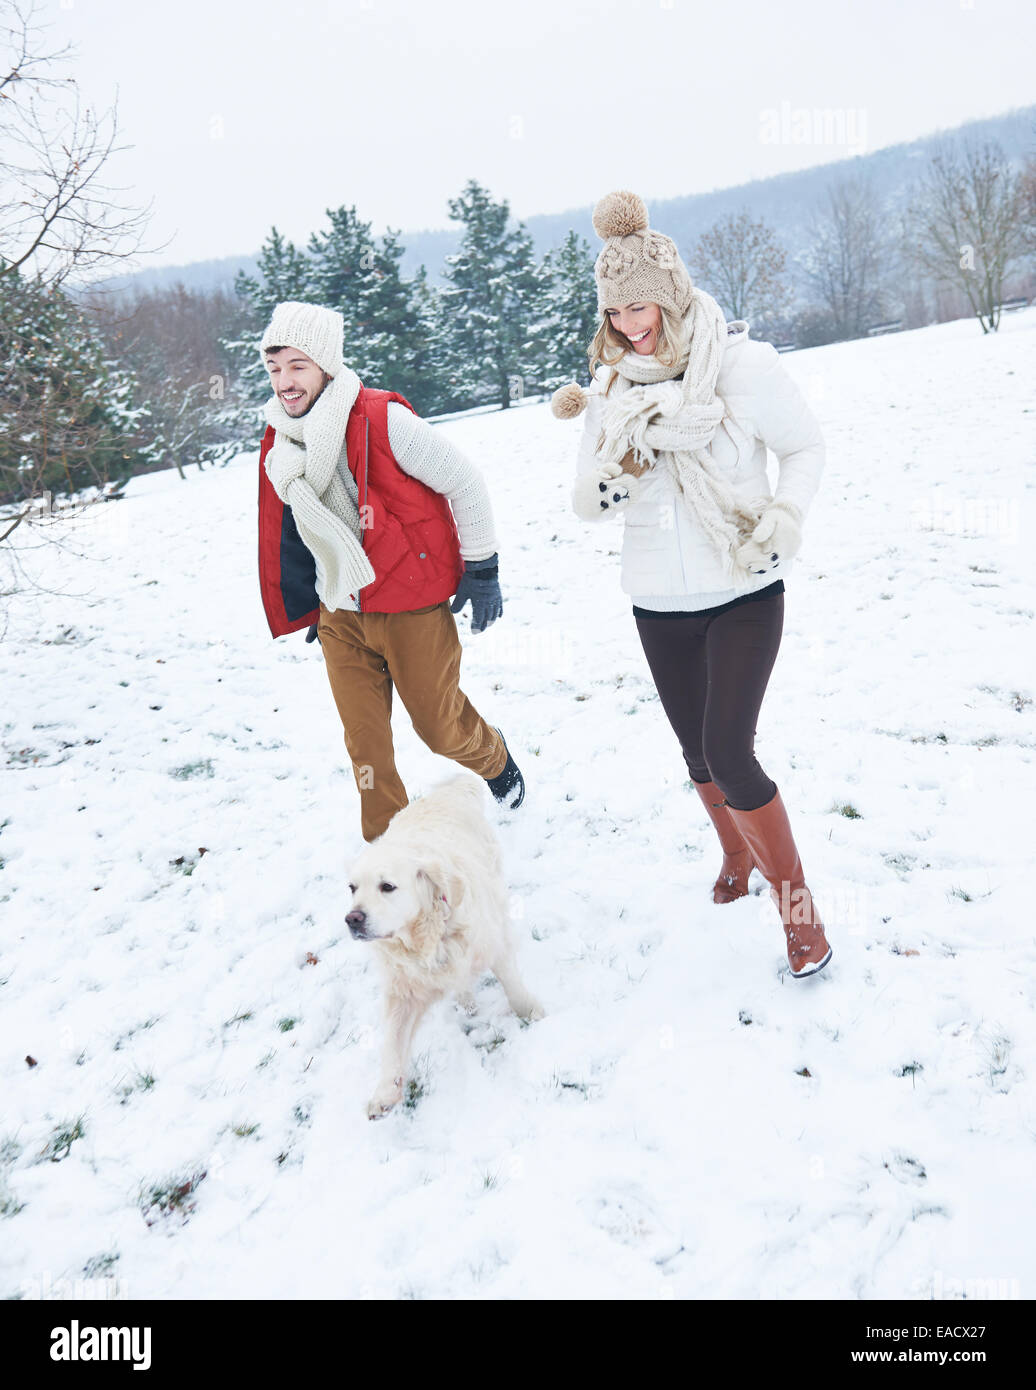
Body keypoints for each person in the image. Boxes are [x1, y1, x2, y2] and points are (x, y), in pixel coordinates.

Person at [552, 192, 832, 978]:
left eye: (639, 307)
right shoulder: (610, 393)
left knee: (728, 750)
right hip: (658, 602)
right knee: (695, 753)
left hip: (743, 585)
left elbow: (805, 449)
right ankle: (736, 856)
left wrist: (787, 511)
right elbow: (589, 493)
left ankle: (800, 914)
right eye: (614, 314)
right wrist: (605, 485)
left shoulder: (742, 368)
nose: (629, 326)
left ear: (669, 293)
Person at [256, 300, 524, 842]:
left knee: (440, 728)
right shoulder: (283, 438)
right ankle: (390, 852)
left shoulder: (382, 418)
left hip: (410, 608)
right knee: (366, 745)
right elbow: (297, 530)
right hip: (340, 613)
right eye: (274, 368)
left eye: (297, 366)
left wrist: (484, 568)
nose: (284, 381)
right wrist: (311, 598)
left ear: (327, 365)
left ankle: (494, 760)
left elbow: (464, 481)